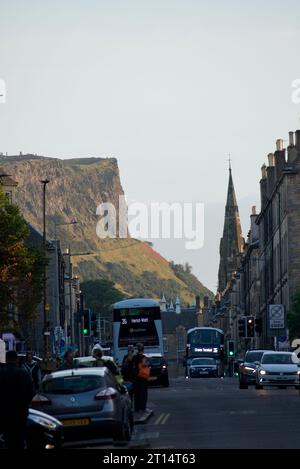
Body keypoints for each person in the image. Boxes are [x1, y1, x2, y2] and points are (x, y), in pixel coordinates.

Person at [0, 350, 34, 449]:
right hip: (21, 413)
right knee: (20, 440)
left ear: (6, 360)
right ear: (16, 359)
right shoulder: (23, 373)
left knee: (8, 440)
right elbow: (31, 392)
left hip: (4, 414)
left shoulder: (1, 374)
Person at [133, 343, 150, 413]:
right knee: (143, 393)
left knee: (137, 393)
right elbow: (144, 364)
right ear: (143, 349)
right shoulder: (143, 357)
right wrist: (147, 363)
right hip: (143, 377)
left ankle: (137, 408)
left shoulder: (134, 357)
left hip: (136, 378)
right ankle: (143, 408)